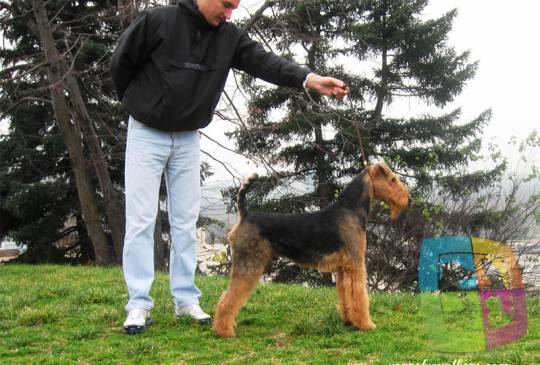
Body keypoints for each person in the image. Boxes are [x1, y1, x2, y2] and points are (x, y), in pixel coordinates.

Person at [110, 0, 349, 335]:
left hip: (188, 137)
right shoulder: (158, 21)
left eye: (235, 7)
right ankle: (138, 304)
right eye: (226, 5)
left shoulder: (229, 37)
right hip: (146, 132)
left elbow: (266, 63)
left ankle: (186, 299)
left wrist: (309, 79)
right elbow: (122, 63)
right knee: (140, 219)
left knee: (184, 221)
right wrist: (140, 104)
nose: (230, 13)